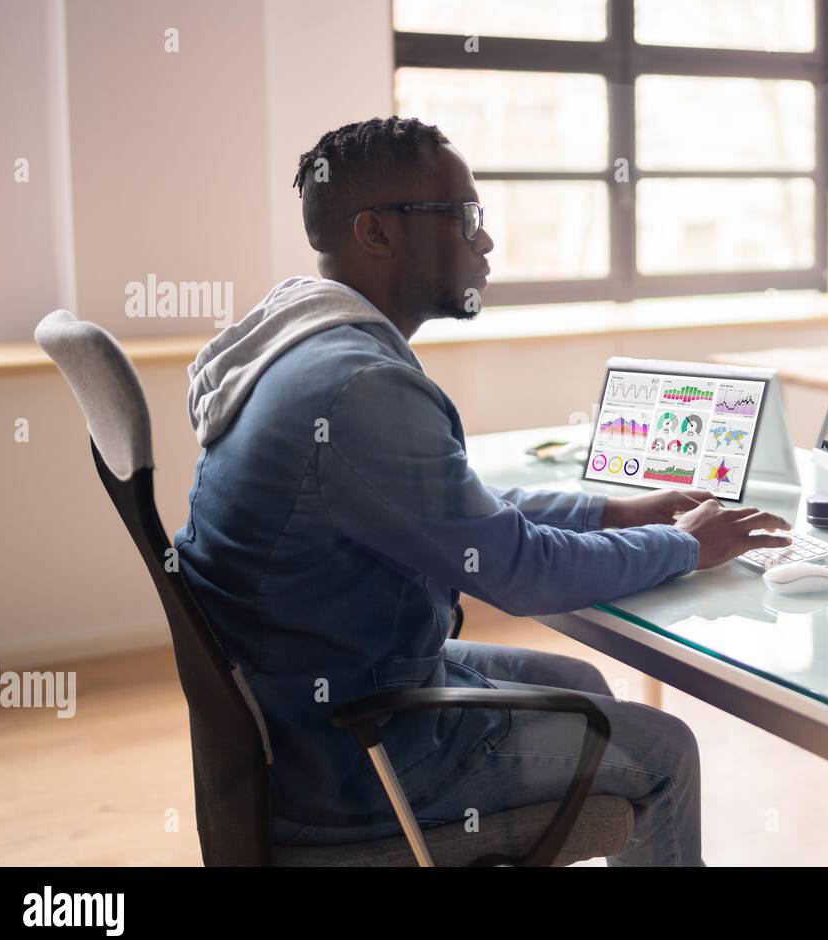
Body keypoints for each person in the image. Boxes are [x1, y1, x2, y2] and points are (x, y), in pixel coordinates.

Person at [173, 116, 793, 866]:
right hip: (353, 774)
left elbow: (455, 511)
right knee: (665, 749)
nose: (486, 242)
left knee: (579, 680)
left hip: (320, 714)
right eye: (465, 218)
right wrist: (683, 547)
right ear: (376, 233)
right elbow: (517, 571)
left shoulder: (303, 349)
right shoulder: (358, 387)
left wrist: (612, 511)